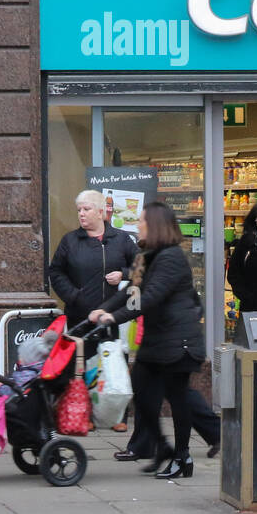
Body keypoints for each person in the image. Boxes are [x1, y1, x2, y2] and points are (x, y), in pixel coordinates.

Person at [91, 201, 205, 480]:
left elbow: (148, 297)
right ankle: (163, 449)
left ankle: (182, 457)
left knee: (178, 400)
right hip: (157, 340)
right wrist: (105, 308)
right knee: (141, 394)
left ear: (155, 225)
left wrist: (113, 318)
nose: (138, 224)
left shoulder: (171, 258)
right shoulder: (147, 255)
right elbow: (132, 289)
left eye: (142, 220)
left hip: (179, 342)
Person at [47, 189, 138, 354]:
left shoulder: (121, 239)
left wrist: (123, 274)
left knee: (110, 372)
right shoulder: (70, 241)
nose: (81, 214)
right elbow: (56, 272)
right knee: (80, 371)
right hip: (80, 320)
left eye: (86, 209)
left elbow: (141, 269)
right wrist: (74, 296)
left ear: (100, 212)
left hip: (111, 320)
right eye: (79, 210)